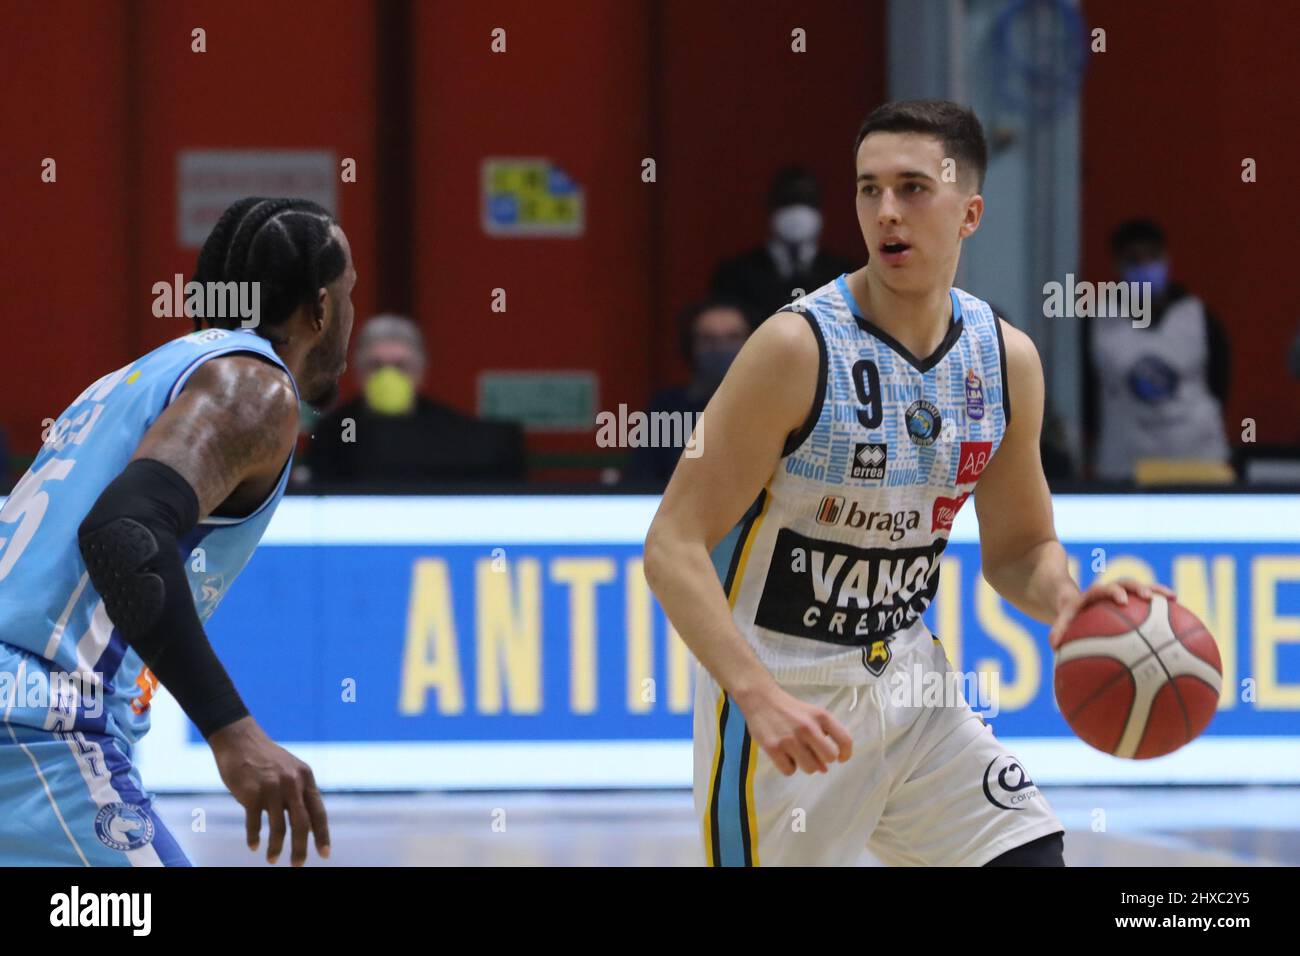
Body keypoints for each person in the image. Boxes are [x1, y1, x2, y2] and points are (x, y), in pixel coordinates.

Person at [644, 99, 1170, 867]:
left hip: (912, 692)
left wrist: (1064, 600)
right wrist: (755, 698)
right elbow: (672, 545)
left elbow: (1021, 548)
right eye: (868, 189)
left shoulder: (1004, 359)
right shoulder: (795, 348)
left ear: (970, 212)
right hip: (786, 702)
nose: (886, 212)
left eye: (913, 188)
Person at [0, 197, 354, 866]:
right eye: (349, 292)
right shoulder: (254, 388)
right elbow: (122, 529)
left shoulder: (128, 381)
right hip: (40, 725)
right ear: (321, 309)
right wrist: (232, 730)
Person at [1083, 218, 1231, 482]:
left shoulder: (1199, 318)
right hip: (1125, 467)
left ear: (1166, 259)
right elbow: (1087, 394)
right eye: (1134, 260)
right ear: (1119, 266)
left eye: (1152, 257)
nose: (1145, 267)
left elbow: (1220, 383)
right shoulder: (1098, 323)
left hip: (1199, 464)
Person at [306, 314, 526, 485]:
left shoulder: (456, 433)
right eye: (376, 366)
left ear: (420, 372)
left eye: (401, 366)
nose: (388, 376)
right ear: (358, 371)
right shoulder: (331, 434)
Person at [622, 298, 756, 488]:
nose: (720, 348)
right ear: (690, 346)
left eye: (732, 338)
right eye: (708, 339)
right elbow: (640, 481)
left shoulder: (774, 407)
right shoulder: (667, 408)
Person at [711, 166, 857, 318]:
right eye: (786, 202)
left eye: (807, 201)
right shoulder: (735, 274)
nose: (796, 212)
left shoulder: (844, 273)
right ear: (769, 209)